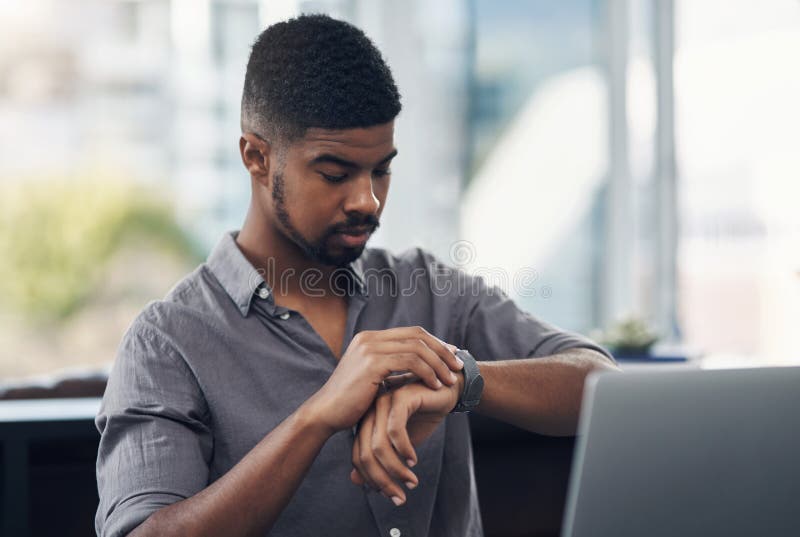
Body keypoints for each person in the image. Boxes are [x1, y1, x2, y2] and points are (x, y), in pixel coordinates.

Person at [95, 13, 618, 537]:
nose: (367, 200)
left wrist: (461, 379)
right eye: (335, 173)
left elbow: (599, 384)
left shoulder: (429, 289)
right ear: (256, 157)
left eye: (381, 169)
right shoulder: (167, 342)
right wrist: (316, 418)